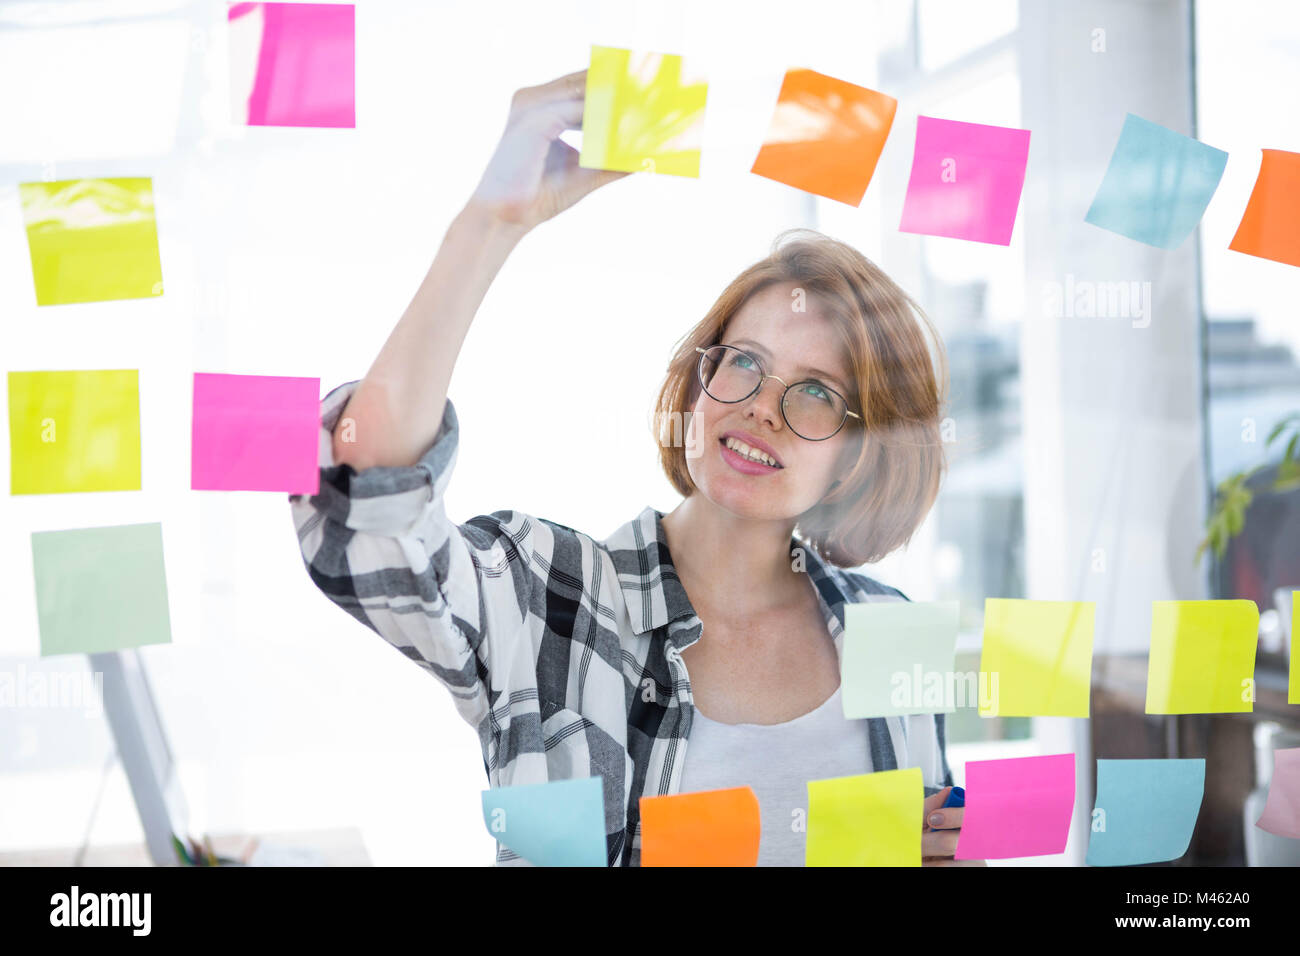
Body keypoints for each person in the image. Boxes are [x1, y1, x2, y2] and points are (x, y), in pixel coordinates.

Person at [289, 69, 977, 866]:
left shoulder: (892, 630)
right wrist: (490, 225)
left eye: (816, 394)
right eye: (744, 363)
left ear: (863, 456)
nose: (759, 406)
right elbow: (364, 518)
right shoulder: (553, 598)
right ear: (698, 380)